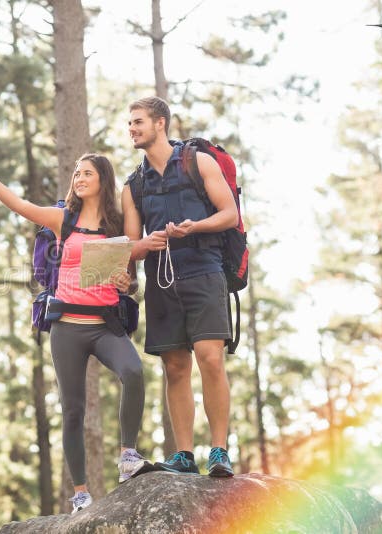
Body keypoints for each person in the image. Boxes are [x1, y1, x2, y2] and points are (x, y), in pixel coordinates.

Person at [0, 150, 146, 513]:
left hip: (105, 326)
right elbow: (19, 204)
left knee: (134, 371)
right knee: (73, 411)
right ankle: (80, 494)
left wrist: (126, 282)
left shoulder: (118, 226)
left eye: (87, 173)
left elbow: (129, 280)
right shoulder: (64, 219)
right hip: (67, 330)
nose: (79, 178)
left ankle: (128, 455)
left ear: (102, 180)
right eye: (77, 173)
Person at [121, 96, 238, 478]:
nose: (132, 129)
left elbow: (229, 214)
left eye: (138, 122)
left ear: (160, 123)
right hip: (161, 277)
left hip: (204, 269)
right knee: (174, 367)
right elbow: (130, 245)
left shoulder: (197, 161)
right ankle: (184, 455)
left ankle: (219, 451)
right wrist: (145, 244)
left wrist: (196, 226)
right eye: (130, 124)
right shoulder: (134, 185)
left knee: (210, 357)